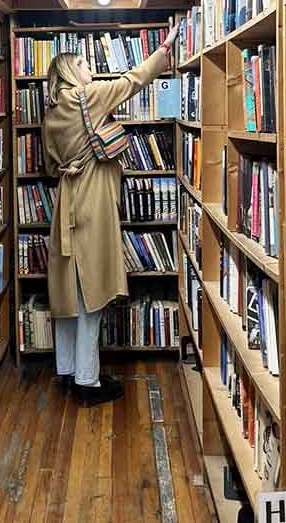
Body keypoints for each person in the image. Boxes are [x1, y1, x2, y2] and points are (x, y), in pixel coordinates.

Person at [41, 23, 179, 406]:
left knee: (68, 294)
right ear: (71, 72)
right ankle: (87, 382)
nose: (91, 70)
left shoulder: (51, 113)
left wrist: (69, 164)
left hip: (66, 204)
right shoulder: (88, 97)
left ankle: (68, 370)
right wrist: (164, 50)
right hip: (93, 201)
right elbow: (133, 81)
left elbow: (50, 168)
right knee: (93, 292)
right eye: (85, 65)